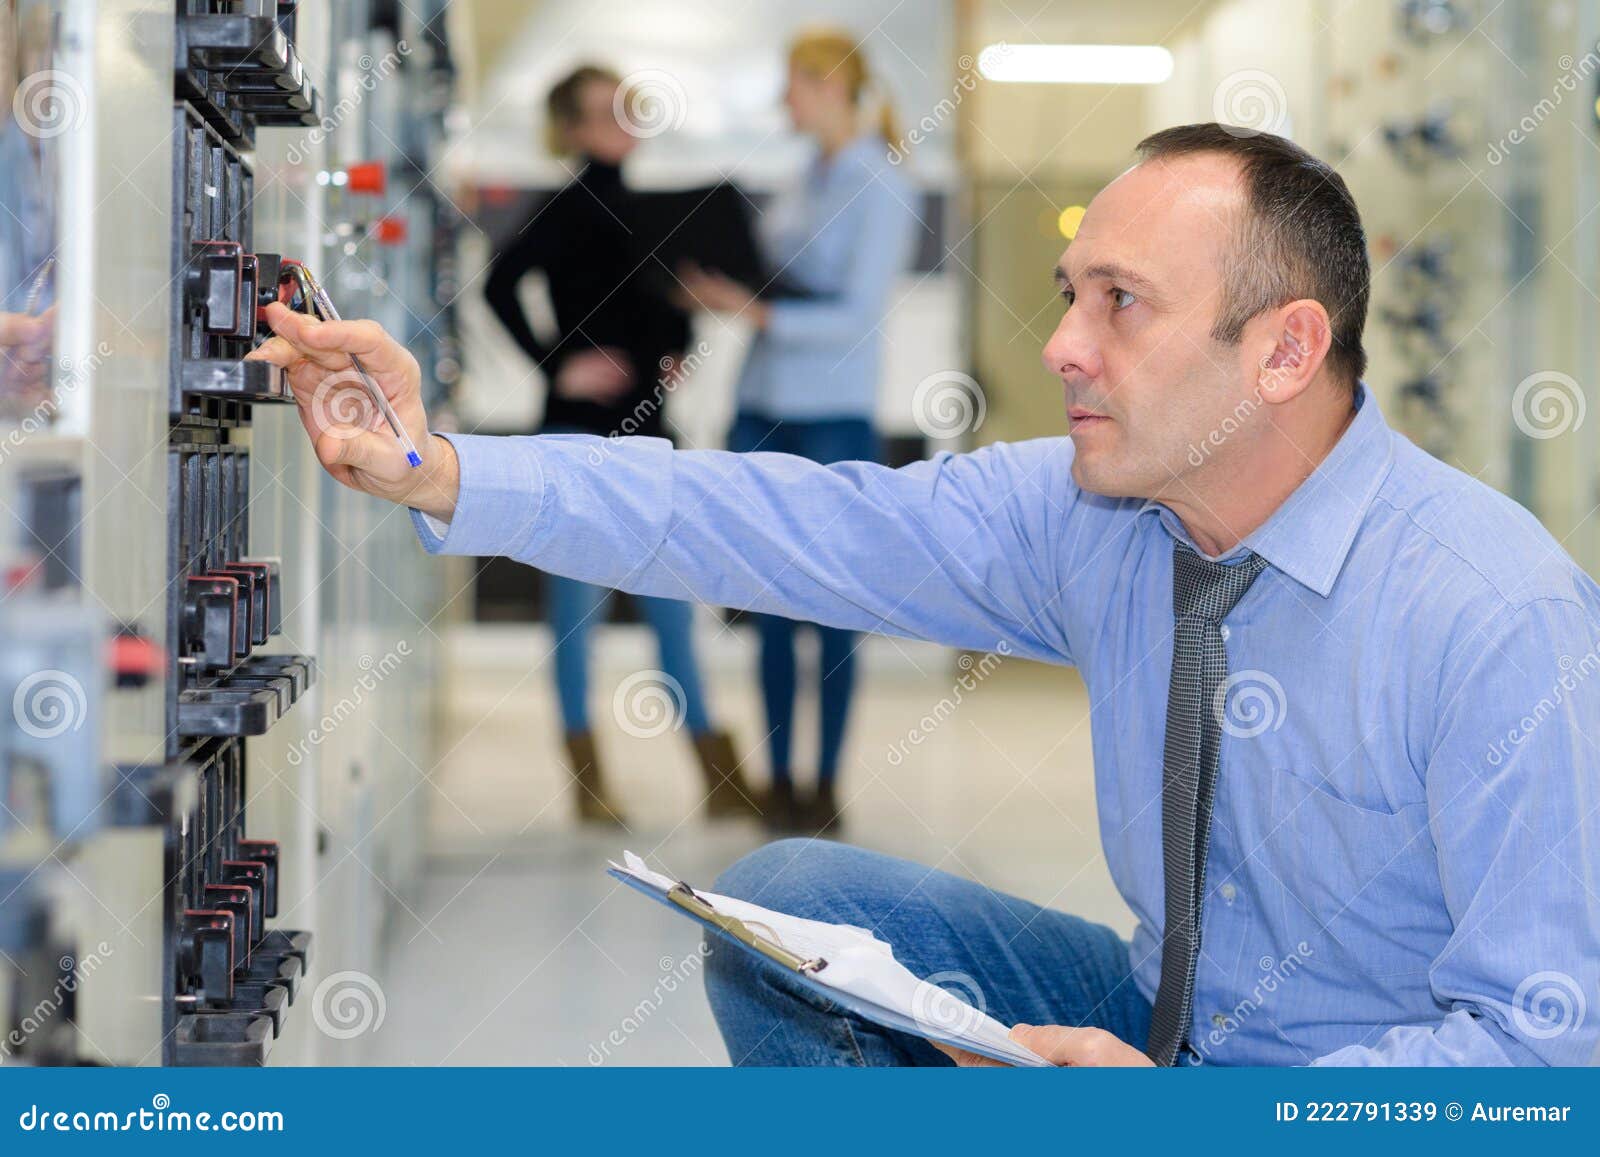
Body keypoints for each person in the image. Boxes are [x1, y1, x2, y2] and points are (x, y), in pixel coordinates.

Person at [250, 123, 1600, 1067]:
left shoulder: (1489, 614)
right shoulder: (1095, 513)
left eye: (1121, 304)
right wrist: (444, 471)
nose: (1062, 345)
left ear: (1285, 351)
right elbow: (771, 520)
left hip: (1356, 1083)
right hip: (1162, 1015)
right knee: (794, 905)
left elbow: (1547, 1047)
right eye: (1072, 294)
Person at [480, 63, 760, 825]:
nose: (619, 123)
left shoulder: (657, 208)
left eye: (625, 109)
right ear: (570, 128)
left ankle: (718, 775)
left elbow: (665, 306)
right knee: (576, 613)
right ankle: (589, 783)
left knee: (672, 604)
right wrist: (557, 361)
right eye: (601, 112)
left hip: (649, 436)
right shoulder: (565, 207)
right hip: (575, 437)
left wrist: (676, 346)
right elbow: (498, 285)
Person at [676, 29, 918, 834]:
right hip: (762, 407)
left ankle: (825, 783)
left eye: (792, 86)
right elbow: (770, 273)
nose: (784, 103)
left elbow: (856, 313)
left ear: (827, 86)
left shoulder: (881, 183)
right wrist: (725, 287)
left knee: (837, 607)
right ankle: (778, 781)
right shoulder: (797, 180)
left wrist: (760, 311)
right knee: (769, 602)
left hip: (833, 413)